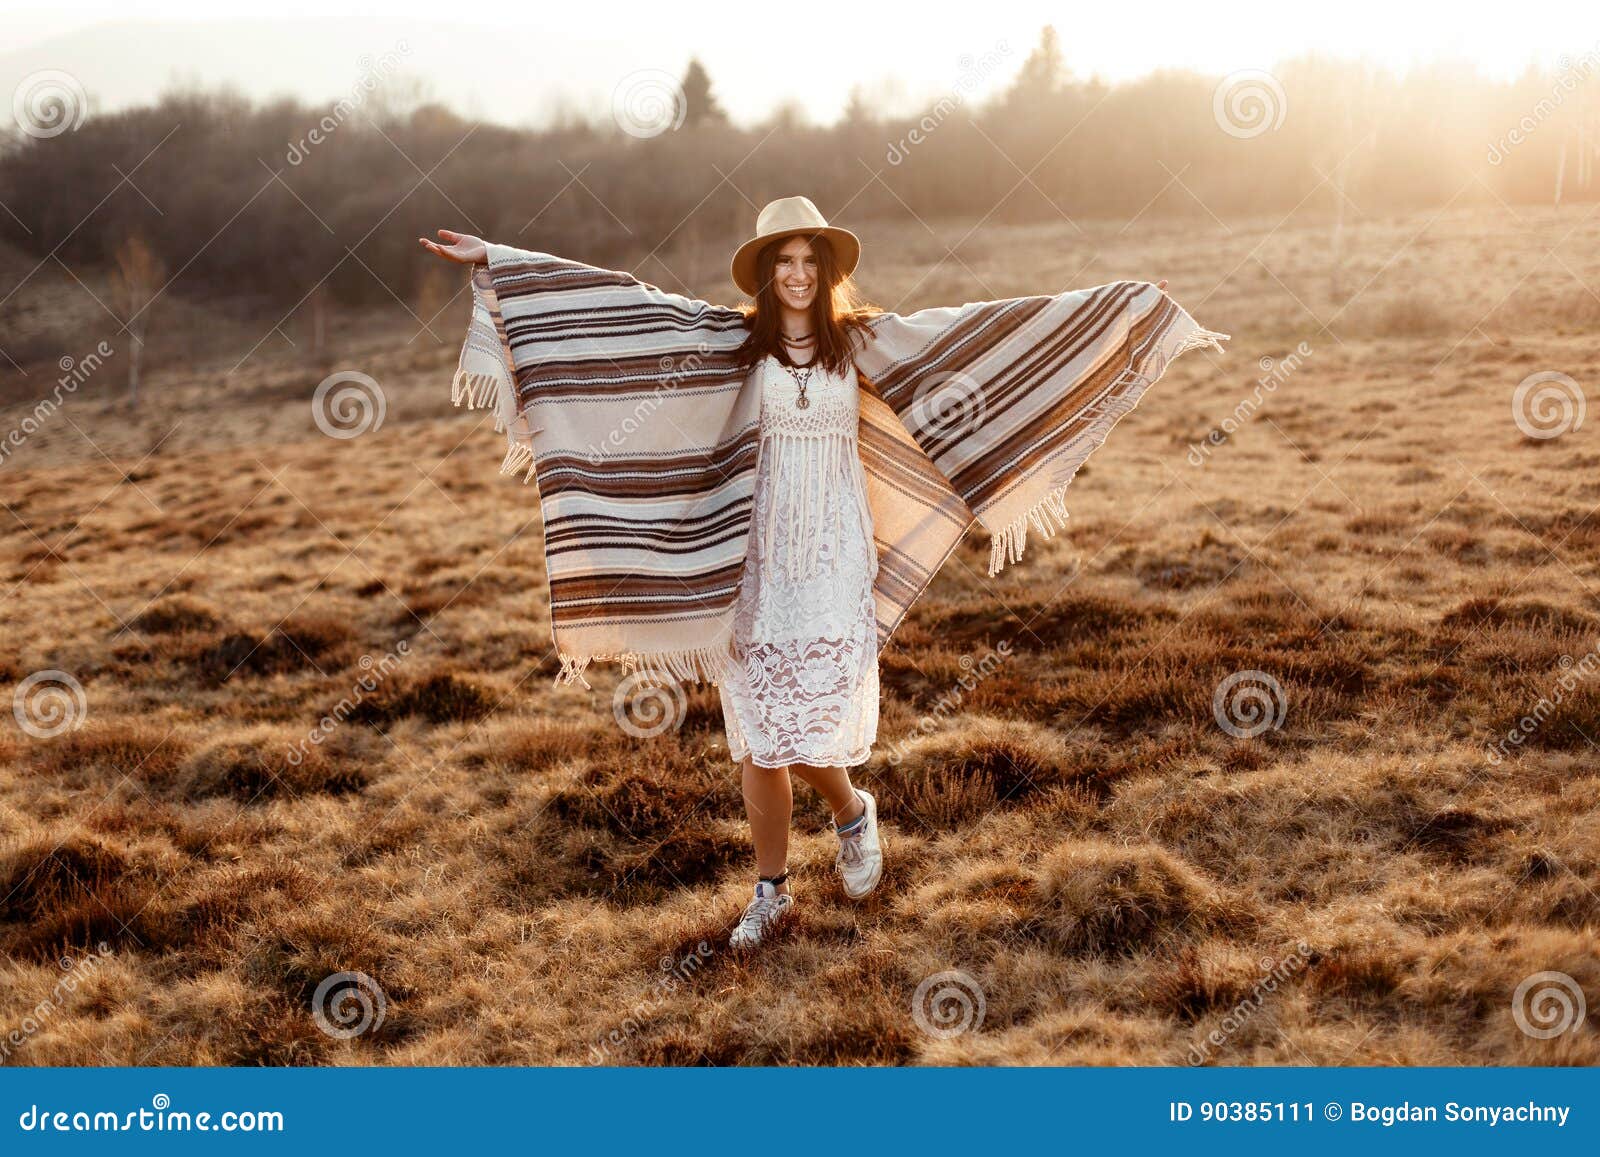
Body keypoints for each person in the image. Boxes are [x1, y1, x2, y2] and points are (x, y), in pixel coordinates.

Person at [419, 196, 1178, 952]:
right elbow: (628, 303)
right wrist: (506, 263)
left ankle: (851, 812)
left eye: (808, 259)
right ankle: (772, 891)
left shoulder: (865, 343)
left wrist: (1122, 308)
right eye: (783, 260)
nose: (797, 273)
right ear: (764, 273)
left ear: (826, 269)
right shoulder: (729, 342)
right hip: (756, 558)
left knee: (806, 727)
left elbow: (976, 330)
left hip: (833, 558)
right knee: (760, 740)